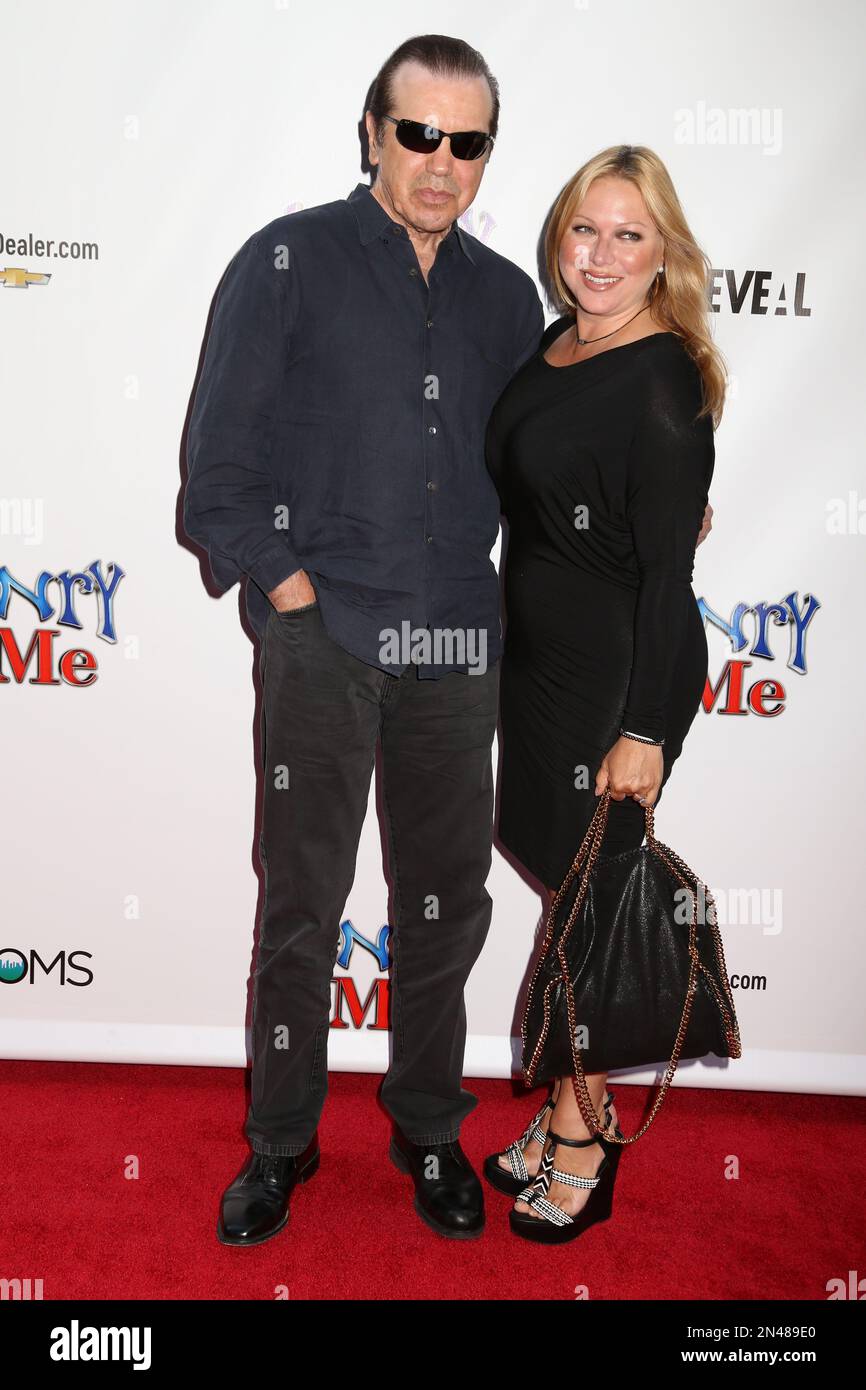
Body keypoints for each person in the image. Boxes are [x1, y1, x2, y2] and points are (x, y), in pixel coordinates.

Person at [183, 34, 549, 1245]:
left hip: (456, 647)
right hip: (323, 639)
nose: (441, 164)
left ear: (486, 152)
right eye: (418, 135)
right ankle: (281, 1143)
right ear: (371, 133)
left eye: (467, 141)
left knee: (444, 903)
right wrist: (291, 594)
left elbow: (543, 468)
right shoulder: (284, 260)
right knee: (303, 906)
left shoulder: (506, 297)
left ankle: (428, 1129)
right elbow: (217, 474)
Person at [483, 145, 726, 1242]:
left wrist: (643, 730)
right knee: (562, 886)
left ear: (661, 253)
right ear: (558, 235)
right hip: (540, 673)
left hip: (617, 683)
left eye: (628, 235)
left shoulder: (662, 373)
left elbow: (669, 578)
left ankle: (582, 1134)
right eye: (586, 229)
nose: (601, 253)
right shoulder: (558, 344)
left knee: (589, 907)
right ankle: (564, 1100)